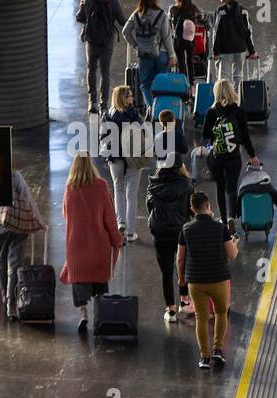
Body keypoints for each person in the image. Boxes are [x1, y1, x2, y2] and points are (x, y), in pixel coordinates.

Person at [59, 151, 122, 331]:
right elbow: (109, 217)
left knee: (79, 280)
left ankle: (83, 313)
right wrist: (117, 239)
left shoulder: (70, 187)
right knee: (100, 280)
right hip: (99, 245)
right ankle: (101, 315)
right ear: (91, 165)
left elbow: (65, 213)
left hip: (76, 246)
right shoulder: (101, 185)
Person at [178, 191, 239, 369]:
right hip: (219, 279)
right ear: (209, 206)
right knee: (220, 313)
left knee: (201, 317)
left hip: (195, 281)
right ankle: (218, 351)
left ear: (192, 209)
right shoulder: (220, 228)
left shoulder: (186, 229)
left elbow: (180, 258)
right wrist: (234, 243)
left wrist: (182, 279)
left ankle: (204, 358)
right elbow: (232, 255)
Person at [0, 169, 46, 320]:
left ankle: (5, 296)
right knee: (15, 265)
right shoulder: (13, 175)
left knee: (0, 264)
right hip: (18, 224)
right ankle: (11, 303)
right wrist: (39, 220)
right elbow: (27, 198)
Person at [201, 78, 260, 225]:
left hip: (216, 156)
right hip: (233, 156)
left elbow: (206, 135)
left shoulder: (211, 112)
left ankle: (223, 220)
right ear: (231, 91)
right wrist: (253, 156)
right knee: (231, 188)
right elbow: (245, 136)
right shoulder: (238, 111)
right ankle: (231, 217)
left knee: (220, 187)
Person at [147, 153, 194, 322]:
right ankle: (185, 301)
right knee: (182, 266)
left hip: (160, 232)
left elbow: (149, 206)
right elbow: (191, 208)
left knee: (166, 272)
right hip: (181, 231)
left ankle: (171, 310)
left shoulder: (153, 185)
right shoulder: (187, 185)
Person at [75, 0, 128, 114]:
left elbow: (80, 18)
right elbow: (123, 21)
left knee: (91, 69)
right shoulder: (113, 1)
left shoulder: (88, 0)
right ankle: (103, 104)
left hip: (91, 41)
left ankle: (92, 102)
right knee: (105, 73)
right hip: (107, 42)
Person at [102, 85, 150, 240]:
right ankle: (130, 232)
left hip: (115, 158)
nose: (132, 98)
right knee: (131, 193)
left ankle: (120, 223)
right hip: (133, 157)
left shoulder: (108, 114)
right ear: (123, 98)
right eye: (129, 95)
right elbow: (146, 133)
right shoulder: (134, 115)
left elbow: (103, 138)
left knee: (119, 190)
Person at [122, 0, 177, 112]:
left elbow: (125, 31)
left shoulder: (136, 14)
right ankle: (162, 111)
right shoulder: (161, 14)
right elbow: (167, 37)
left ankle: (152, 109)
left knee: (146, 85)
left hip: (144, 55)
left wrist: (136, 45)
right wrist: (172, 55)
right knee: (162, 84)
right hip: (161, 54)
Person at [212, 0, 259, 86]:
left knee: (223, 77)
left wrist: (215, 52)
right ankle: (237, 99)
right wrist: (252, 51)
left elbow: (217, 33)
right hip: (240, 50)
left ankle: (225, 99)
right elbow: (248, 33)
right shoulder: (243, 11)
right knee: (238, 76)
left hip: (225, 50)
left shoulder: (220, 12)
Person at [169, 0, 205, 88]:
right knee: (190, 62)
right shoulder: (193, 9)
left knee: (180, 63)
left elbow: (169, 24)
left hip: (177, 40)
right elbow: (204, 20)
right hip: (190, 40)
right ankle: (192, 86)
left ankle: (182, 85)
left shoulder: (173, 9)